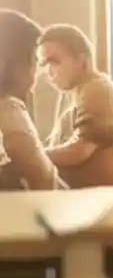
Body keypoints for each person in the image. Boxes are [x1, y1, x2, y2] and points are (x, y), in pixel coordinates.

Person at [39, 24, 113, 188]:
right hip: (77, 199)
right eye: (45, 65)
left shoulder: (97, 91)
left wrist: (30, 155)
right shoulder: (71, 93)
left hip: (96, 202)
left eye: (54, 63)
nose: (49, 73)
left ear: (82, 61)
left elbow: (78, 152)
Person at [0, 10, 60, 190]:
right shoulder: (9, 110)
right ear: (14, 63)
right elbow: (43, 177)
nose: (38, 71)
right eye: (35, 60)